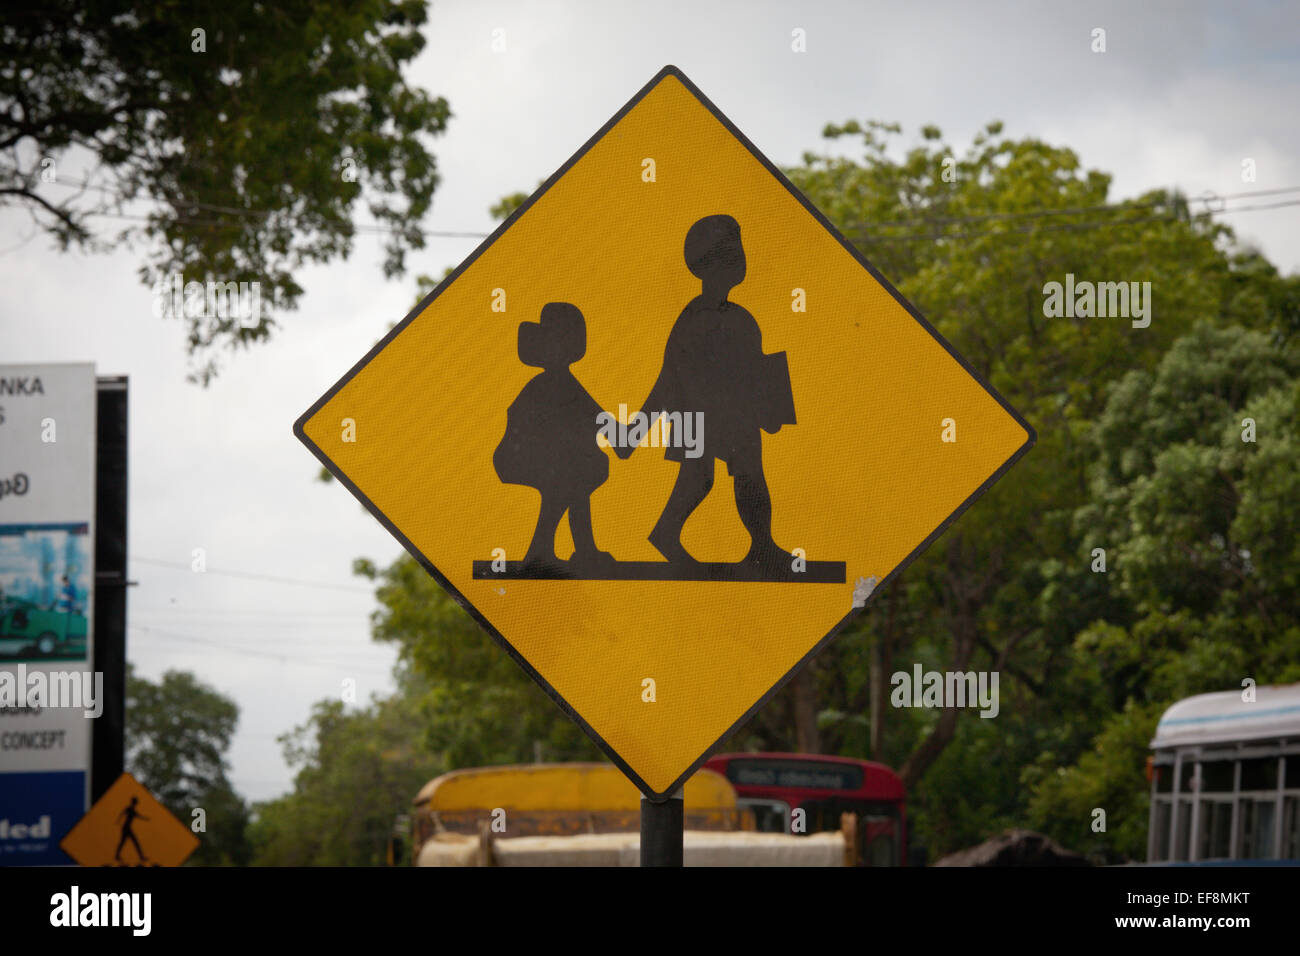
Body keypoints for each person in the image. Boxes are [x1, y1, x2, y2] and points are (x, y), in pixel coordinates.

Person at [630, 214, 795, 569]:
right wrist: (638, 429)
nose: (738, 260)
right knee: (698, 479)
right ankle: (665, 534)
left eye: (738, 251)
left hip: (738, 418)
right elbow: (670, 375)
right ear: (705, 265)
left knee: (751, 476)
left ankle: (763, 545)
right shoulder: (694, 317)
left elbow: (755, 371)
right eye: (727, 253)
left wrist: (771, 409)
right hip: (699, 416)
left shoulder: (741, 317)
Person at [494, 302, 616, 571]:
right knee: (569, 480)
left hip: (547, 457)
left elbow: (598, 419)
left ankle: (573, 550)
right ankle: (547, 551)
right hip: (522, 456)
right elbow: (596, 421)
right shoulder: (549, 384)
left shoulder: (565, 382)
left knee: (573, 481)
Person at [115, 796, 149, 863]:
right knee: (127, 842)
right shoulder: (129, 808)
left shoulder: (133, 810)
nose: (136, 803)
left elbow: (139, 816)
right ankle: (141, 857)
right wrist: (118, 821)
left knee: (131, 842)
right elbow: (122, 813)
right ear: (134, 802)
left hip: (127, 828)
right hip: (126, 828)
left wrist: (146, 818)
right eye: (136, 802)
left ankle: (141, 857)